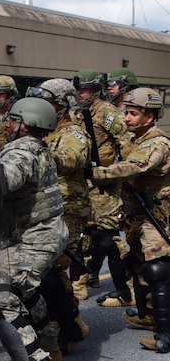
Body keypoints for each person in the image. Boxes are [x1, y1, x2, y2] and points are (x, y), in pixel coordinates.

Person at [0, 97, 71, 361]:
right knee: (25, 289)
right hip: (38, 233)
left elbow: (7, 178)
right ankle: (49, 343)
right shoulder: (36, 147)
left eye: (12, 119)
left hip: (35, 236)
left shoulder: (20, 149)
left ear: (26, 123)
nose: (6, 124)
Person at [90, 88, 170, 351]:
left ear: (150, 116)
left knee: (157, 271)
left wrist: (98, 173)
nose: (127, 118)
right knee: (137, 265)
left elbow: (135, 166)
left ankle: (165, 334)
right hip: (138, 216)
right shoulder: (135, 139)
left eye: (134, 113)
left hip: (157, 217)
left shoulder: (156, 143)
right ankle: (147, 316)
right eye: (126, 112)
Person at [26, 79, 91, 361]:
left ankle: (67, 331)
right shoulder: (47, 132)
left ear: (62, 105)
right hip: (46, 211)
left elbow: (70, 160)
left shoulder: (73, 133)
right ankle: (70, 323)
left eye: (48, 102)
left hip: (69, 212)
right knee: (51, 274)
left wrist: (32, 151)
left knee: (52, 271)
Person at [73, 69, 132, 306]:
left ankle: (127, 287)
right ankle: (80, 284)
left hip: (103, 183)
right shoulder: (77, 112)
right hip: (83, 180)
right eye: (78, 89)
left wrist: (116, 171)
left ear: (96, 90)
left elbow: (126, 141)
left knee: (108, 238)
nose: (80, 93)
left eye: (85, 89)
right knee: (84, 233)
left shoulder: (107, 113)